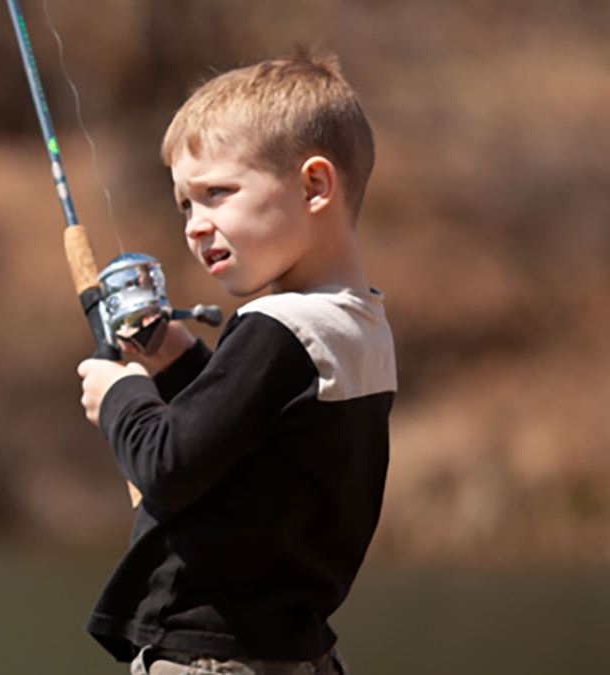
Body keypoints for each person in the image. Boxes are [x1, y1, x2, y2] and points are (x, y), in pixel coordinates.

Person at [76, 47, 397, 675]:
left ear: (314, 185)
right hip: (298, 655)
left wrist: (120, 397)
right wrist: (175, 356)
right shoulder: (358, 324)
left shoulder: (274, 330)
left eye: (216, 193)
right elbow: (249, 439)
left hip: (210, 661)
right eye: (185, 205)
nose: (196, 225)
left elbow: (169, 464)